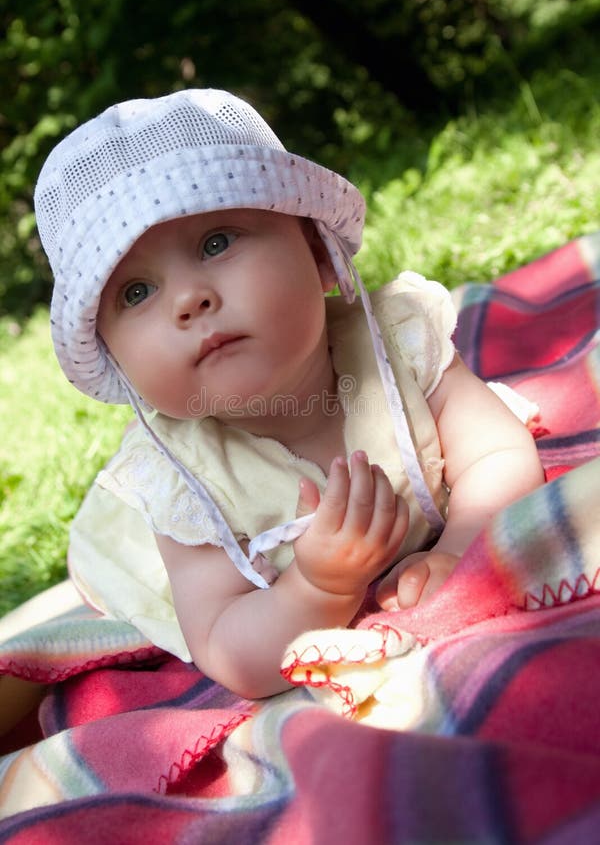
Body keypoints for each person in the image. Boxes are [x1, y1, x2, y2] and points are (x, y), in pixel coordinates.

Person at [34, 89, 544, 699]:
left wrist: (460, 547)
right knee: (123, 571)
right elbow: (229, 649)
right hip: (135, 550)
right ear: (113, 356)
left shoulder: (396, 344)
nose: (186, 299)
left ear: (317, 251)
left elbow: (497, 454)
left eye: (217, 242)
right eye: (136, 292)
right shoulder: (182, 485)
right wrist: (316, 587)